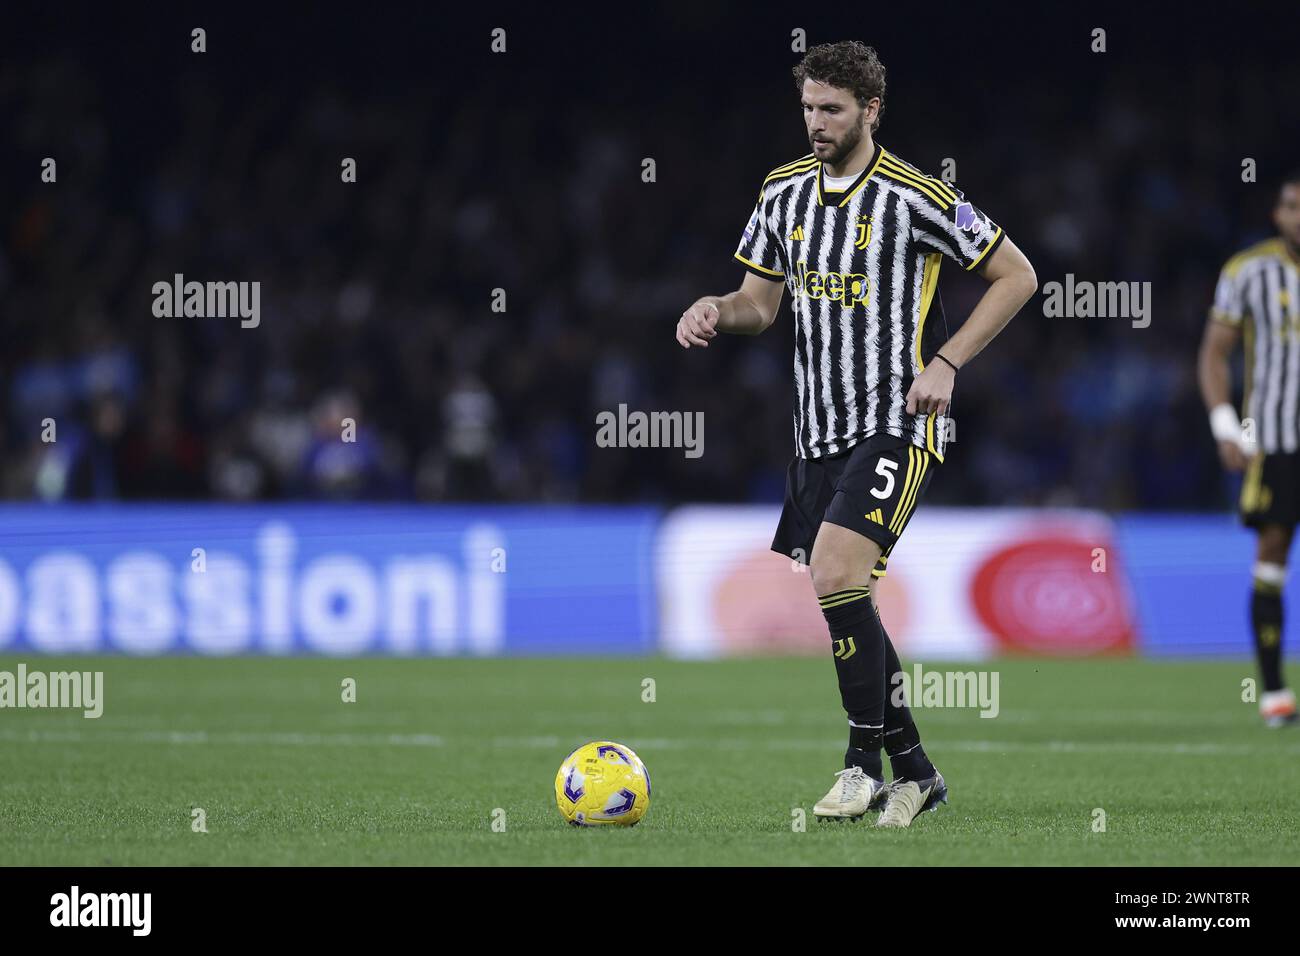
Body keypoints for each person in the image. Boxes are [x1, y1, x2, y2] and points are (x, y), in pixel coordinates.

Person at [676, 41, 1037, 827]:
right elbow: (758, 305)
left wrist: (947, 361)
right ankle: (918, 772)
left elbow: (1018, 275)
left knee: (836, 572)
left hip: (897, 424)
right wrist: (715, 309)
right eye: (808, 107)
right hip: (817, 434)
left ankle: (860, 767)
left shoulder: (920, 196)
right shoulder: (781, 193)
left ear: (870, 110)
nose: (816, 122)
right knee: (850, 598)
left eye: (832, 110)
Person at [1198, 172, 1300, 728]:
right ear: (1277, 214)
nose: (1298, 216)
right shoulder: (1247, 271)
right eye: (1291, 206)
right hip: (1275, 439)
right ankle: (1275, 693)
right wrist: (1226, 425)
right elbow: (1215, 354)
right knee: (1272, 551)